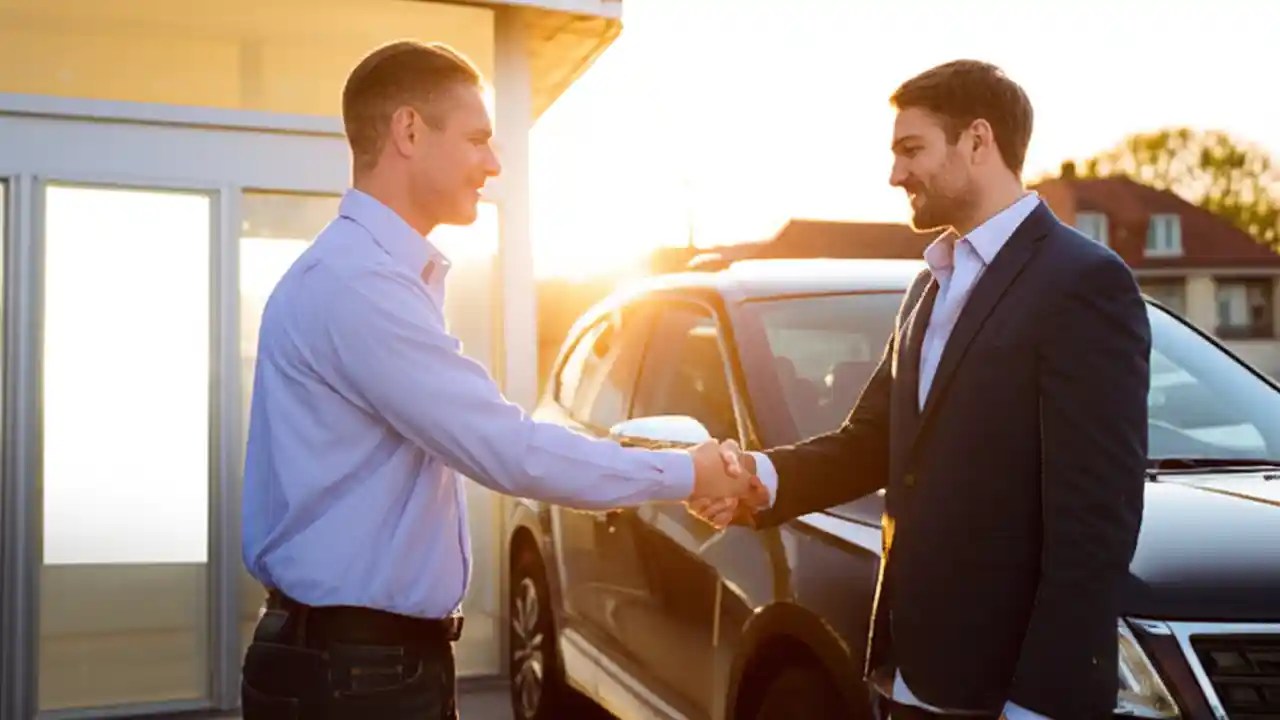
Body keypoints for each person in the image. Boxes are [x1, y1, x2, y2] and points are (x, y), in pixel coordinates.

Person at [239, 41, 756, 719]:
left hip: (360, 667)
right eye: (478, 139)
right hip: (355, 677)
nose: (494, 163)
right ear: (409, 131)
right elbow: (507, 449)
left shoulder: (367, 275)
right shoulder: (359, 285)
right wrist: (689, 473)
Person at [695, 60, 1151, 720]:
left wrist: (1041, 705)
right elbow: (872, 441)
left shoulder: (1084, 283)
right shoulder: (929, 284)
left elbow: (1095, 522)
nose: (895, 175)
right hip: (907, 679)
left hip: (1006, 694)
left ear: (977, 141)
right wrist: (758, 478)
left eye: (912, 150)